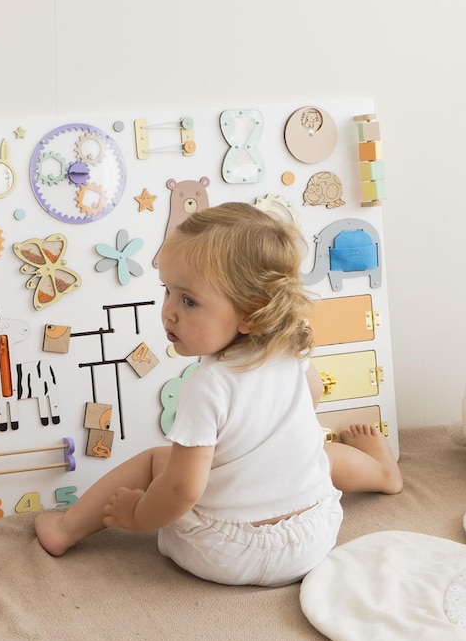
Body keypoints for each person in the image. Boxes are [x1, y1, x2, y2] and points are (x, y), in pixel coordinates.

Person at [35, 202, 399, 586]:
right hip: (313, 536)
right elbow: (311, 398)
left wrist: (138, 514)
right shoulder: (291, 356)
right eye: (168, 292)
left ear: (251, 313)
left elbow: (181, 490)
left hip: (226, 552)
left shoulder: (207, 385)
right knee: (317, 452)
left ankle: (66, 529)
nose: (169, 312)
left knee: (157, 462)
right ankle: (382, 474)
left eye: (188, 300)